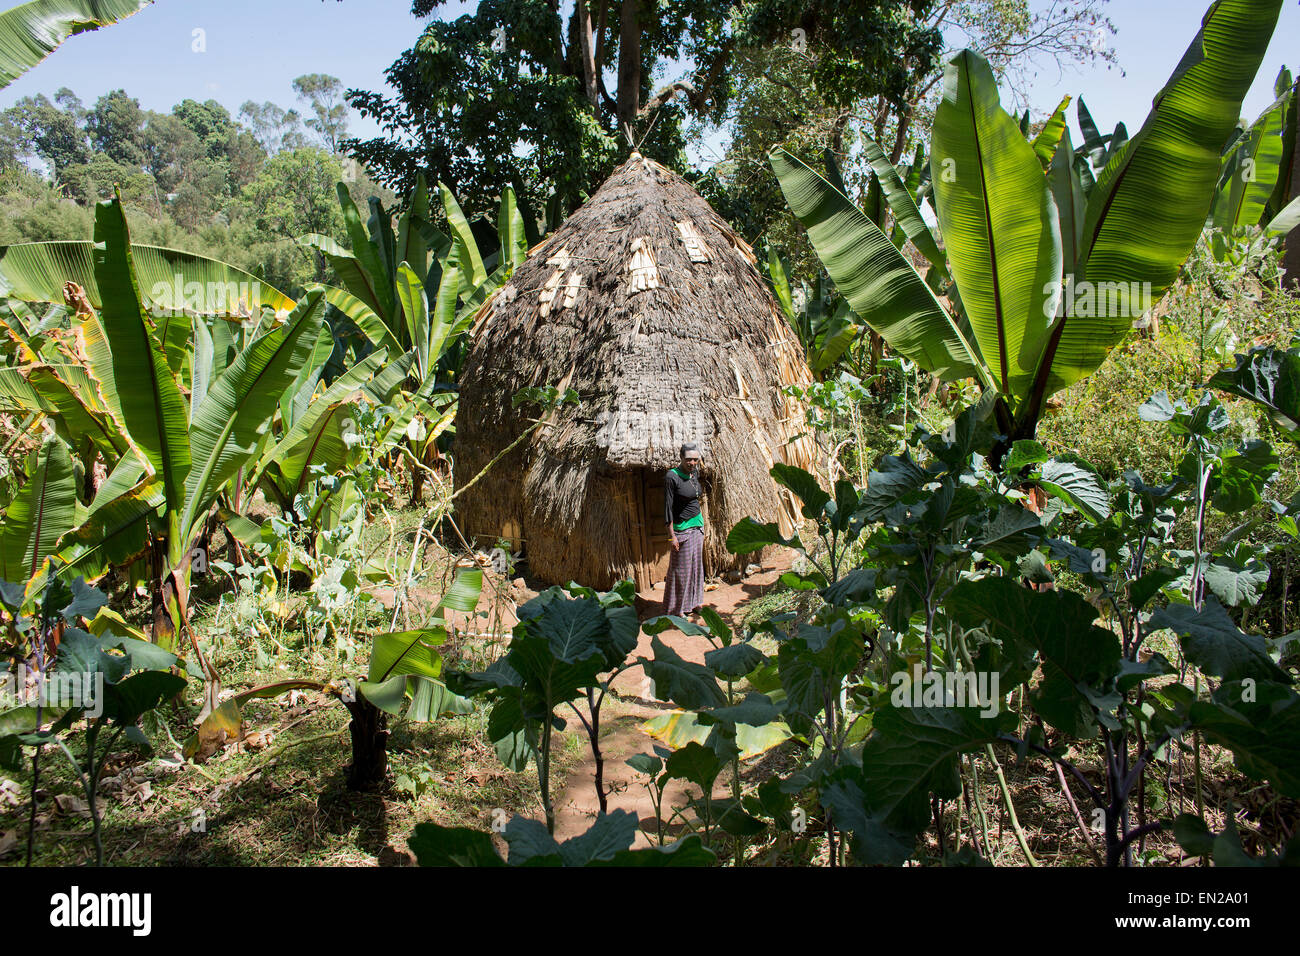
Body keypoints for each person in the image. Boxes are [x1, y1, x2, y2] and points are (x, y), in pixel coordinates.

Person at [664, 443, 704, 617]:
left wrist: (701, 525)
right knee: (681, 571)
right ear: (681, 457)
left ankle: (694, 603)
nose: (692, 462)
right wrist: (672, 536)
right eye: (688, 459)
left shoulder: (694, 473)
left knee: (696, 568)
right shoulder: (672, 477)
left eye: (695, 459)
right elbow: (668, 507)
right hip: (682, 530)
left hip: (697, 527)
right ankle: (677, 609)